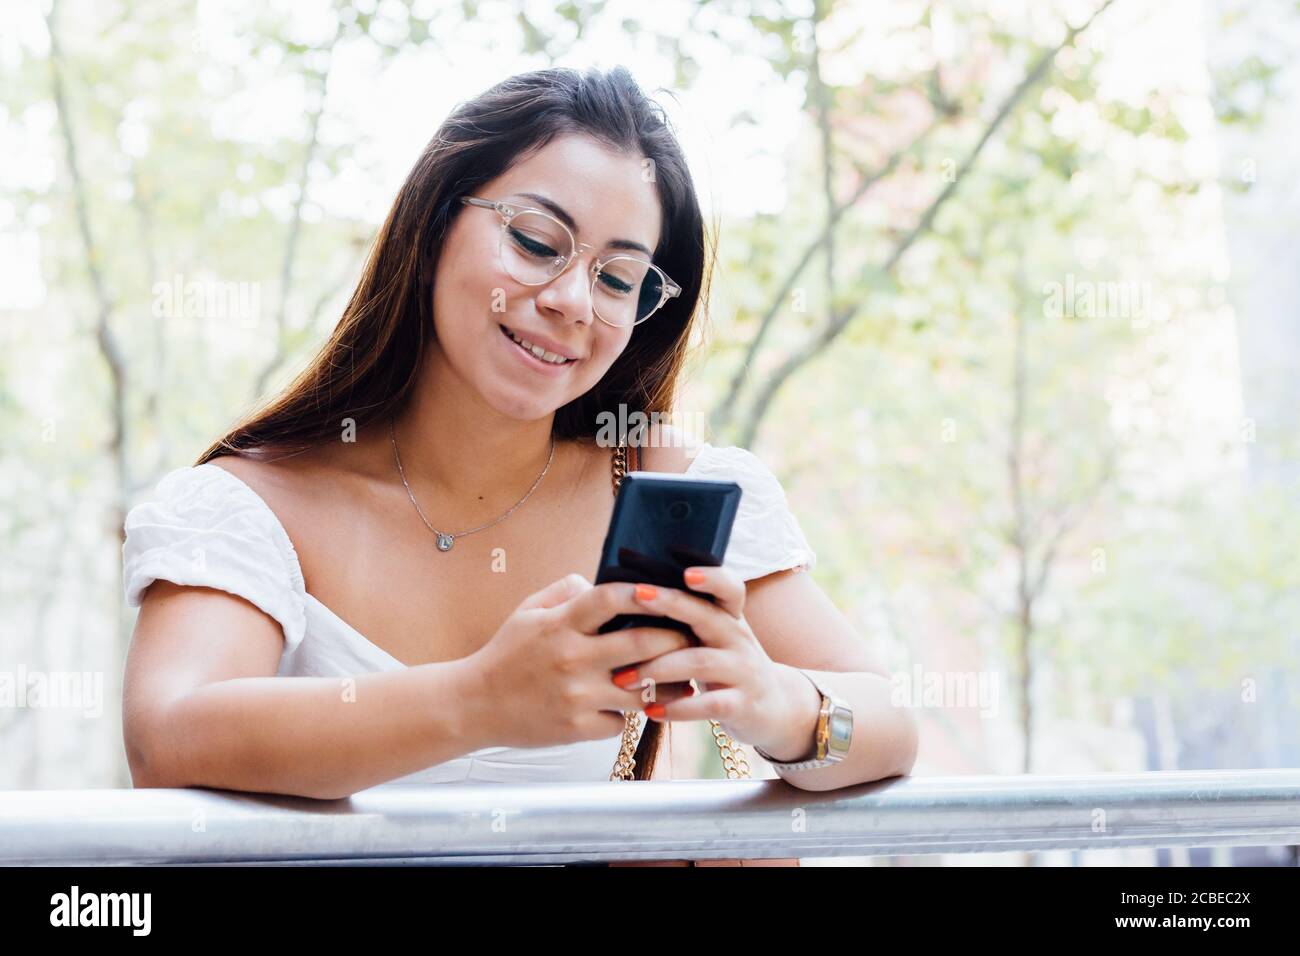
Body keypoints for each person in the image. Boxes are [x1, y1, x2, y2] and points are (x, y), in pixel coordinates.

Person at [120, 66, 918, 801]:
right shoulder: (249, 506)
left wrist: (778, 704)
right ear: (432, 233)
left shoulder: (669, 484)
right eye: (536, 242)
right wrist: (479, 701)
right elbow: (169, 738)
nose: (573, 299)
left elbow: (890, 726)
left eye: (617, 278)